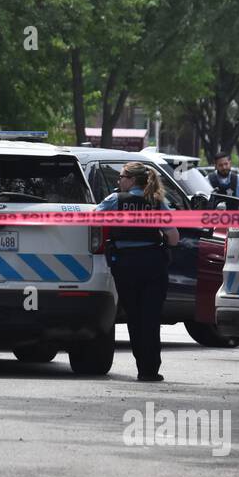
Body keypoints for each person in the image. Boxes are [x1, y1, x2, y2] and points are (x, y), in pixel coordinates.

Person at [98, 161, 180, 382]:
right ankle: (150, 370)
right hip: (153, 265)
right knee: (151, 318)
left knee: (134, 318)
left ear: (132, 179)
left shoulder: (115, 200)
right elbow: (174, 237)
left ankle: (142, 367)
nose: (119, 181)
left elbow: (93, 219)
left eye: (122, 177)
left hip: (126, 265)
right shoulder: (157, 202)